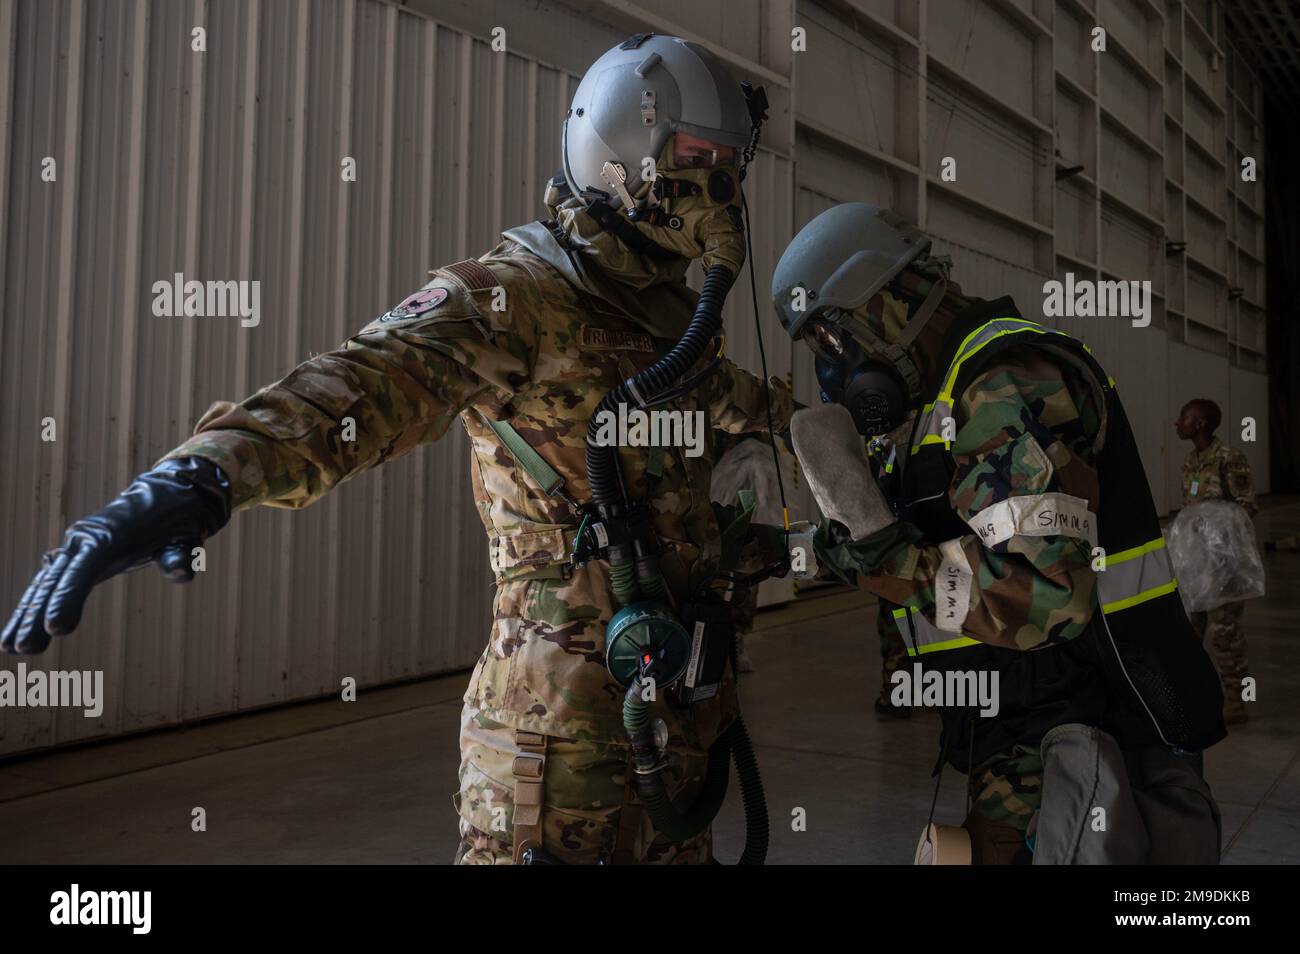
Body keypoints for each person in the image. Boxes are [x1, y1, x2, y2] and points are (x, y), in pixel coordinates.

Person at [2, 34, 793, 865]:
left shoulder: (677, 330)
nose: (720, 186)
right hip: (560, 753)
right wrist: (203, 476)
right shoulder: (516, 296)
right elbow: (362, 382)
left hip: (679, 729)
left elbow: (746, 413)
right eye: (698, 157)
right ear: (620, 155)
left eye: (729, 163)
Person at [774, 202, 1225, 864]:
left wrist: (896, 562)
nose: (832, 369)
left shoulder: (1001, 388)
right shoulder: (950, 394)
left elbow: (1050, 599)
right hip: (1033, 721)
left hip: (1082, 731)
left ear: (883, 307)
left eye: (831, 342)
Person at [1175, 398, 1257, 725]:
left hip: (1224, 563)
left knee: (1225, 632)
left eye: (1184, 417)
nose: (1177, 423)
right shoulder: (1190, 461)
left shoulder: (1229, 458)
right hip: (1197, 561)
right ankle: (1194, 693)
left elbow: (1246, 507)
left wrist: (1215, 530)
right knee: (1189, 630)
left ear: (1200, 424)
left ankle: (1236, 699)